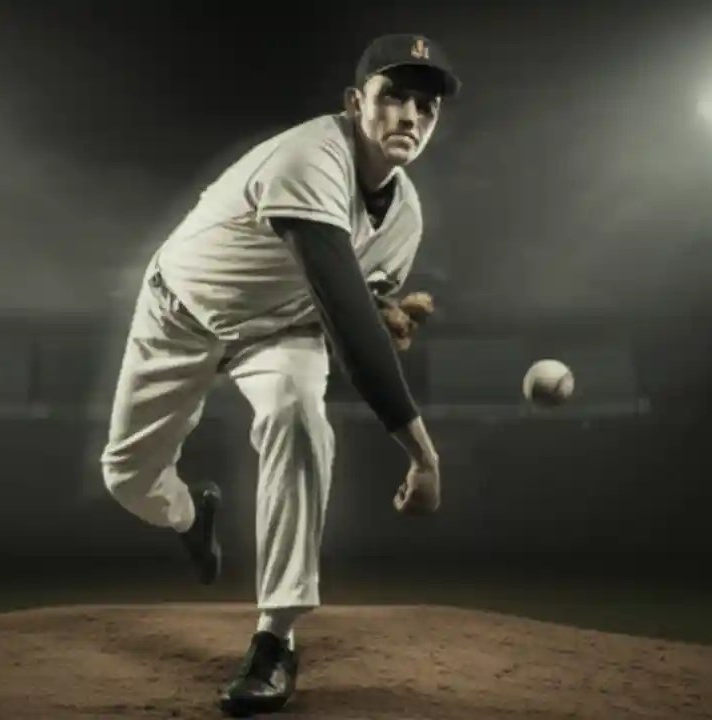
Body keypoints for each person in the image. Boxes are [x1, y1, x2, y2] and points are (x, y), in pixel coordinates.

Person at [99, 33, 460, 717]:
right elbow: (350, 320)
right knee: (126, 480)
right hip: (181, 314)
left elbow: (347, 307)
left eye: (426, 104)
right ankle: (186, 512)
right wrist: (423, 453)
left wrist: (381, 310)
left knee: (300, 417)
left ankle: (276, 639)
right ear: (357, 103)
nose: (411, 116)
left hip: (280, 334)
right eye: (394, 97)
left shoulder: (406, 219)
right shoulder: (309, 157)